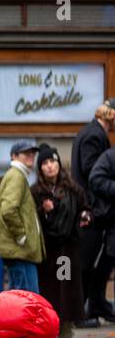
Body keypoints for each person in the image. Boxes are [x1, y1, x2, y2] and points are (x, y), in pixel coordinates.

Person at [30, 144, 90, 338]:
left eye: (52, 161)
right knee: (48, 292)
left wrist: (85, 216)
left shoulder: (72, 188)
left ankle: (66, 333)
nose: (49, 166)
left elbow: (85, 207)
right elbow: (32, 218)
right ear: (40, 169)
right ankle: (45, 335)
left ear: (58, 163)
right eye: (45, 163)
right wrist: (44, 210)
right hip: (48, 250)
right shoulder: (36, 192)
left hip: (66, 251)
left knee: (66, 289)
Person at [72, 99, 115, 325]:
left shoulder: (90, 131)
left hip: (89, 207)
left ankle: (94, 305)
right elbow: (92, 172)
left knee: (92, 261)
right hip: (89, 208)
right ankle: (80, 312)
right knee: (86, 262)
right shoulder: (94, 135)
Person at [0, 141, 43, 293]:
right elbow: (7, 210)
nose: (31, 156)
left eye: (32, 153)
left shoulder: (12, 175)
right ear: (14, 156)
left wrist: (5, 233)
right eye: (25, 153)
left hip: (16, 251)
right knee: (28, 298)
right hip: (21, 251)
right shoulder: (17, 177)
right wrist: (21, 235)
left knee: (16, 297)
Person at [82, 144, 115, 324]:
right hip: (109, 223)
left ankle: (97, 303)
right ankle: (95, 303)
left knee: (105, 264)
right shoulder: (110, 157)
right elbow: (96, 179)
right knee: (104, 263)